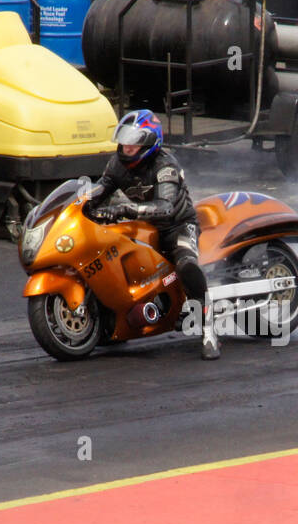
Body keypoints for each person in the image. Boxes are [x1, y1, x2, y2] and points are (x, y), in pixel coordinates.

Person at [86, 109, 220, 360]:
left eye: (133, 141)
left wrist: (127, 209)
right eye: (124, 139)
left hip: (178, 225)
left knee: (187, 264)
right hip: (145, 227)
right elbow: (98, 191)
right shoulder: (117, 163)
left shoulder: (165, 165)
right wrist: (77, 204)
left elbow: (165, 207)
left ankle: (209, 328)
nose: (126, 146)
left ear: (149, 142)